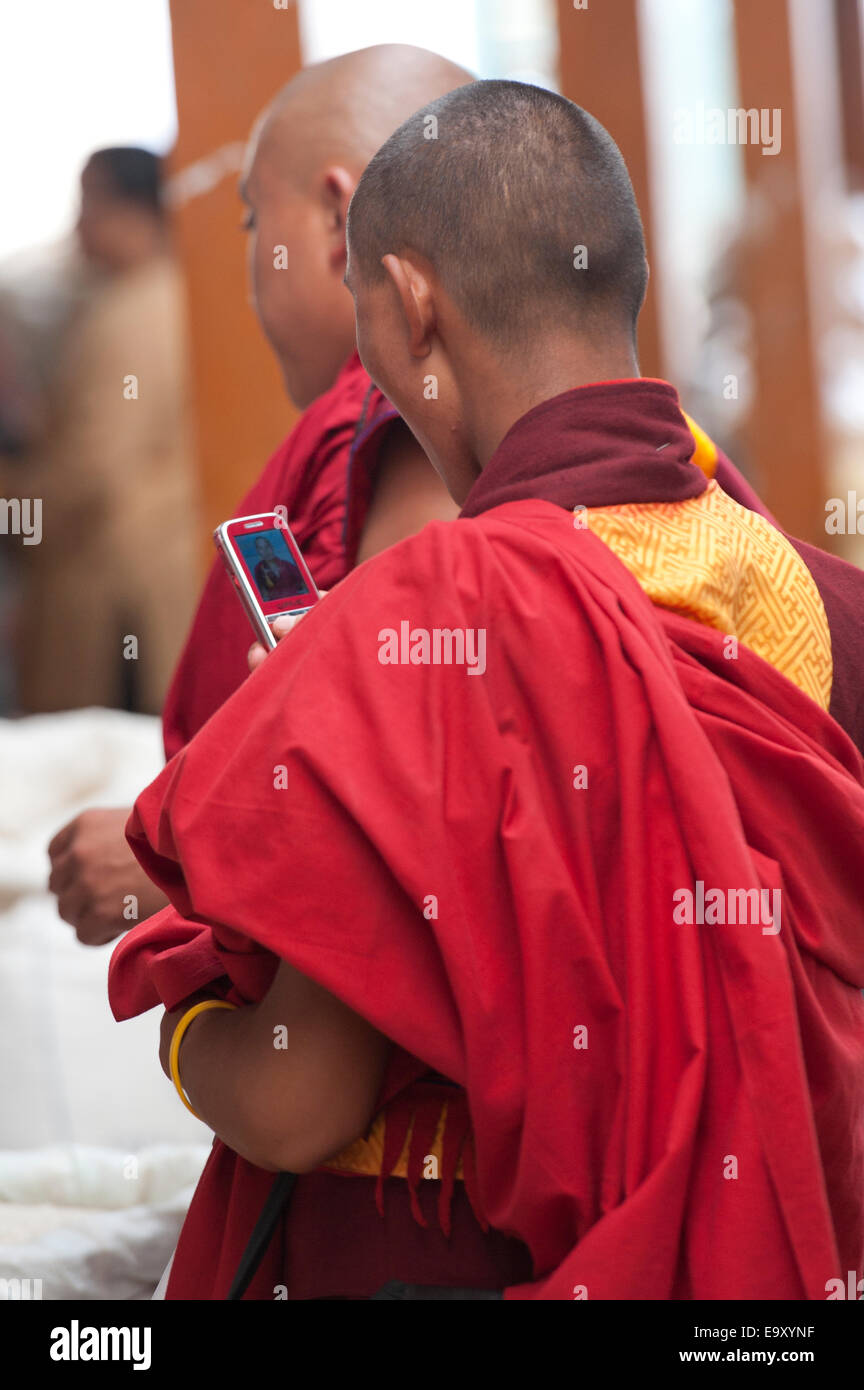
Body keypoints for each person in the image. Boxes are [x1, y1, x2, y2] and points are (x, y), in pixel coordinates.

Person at [109, 81, 864, 1299]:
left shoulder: (431, 619)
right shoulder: (817, 599)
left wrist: (182, 1020)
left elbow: (299, 1102)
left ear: (411, 307)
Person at [16, 147, 199, 715]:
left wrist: (15, 504)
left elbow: (91, 470)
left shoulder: (133, 314)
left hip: (119, 590)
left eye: (88, 203)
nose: (79, 224)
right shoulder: (176, 294)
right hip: (155, 571)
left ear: (129, 210)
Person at [251, 535, 305, 601]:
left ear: (272, 547)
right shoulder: (258, 569)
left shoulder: (287, 565)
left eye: (267, 546)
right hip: (276, 605)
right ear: (258, 551)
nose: (266, 551)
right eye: (261, 548)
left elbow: (303, 584)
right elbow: (264, 593)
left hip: (296, 601)